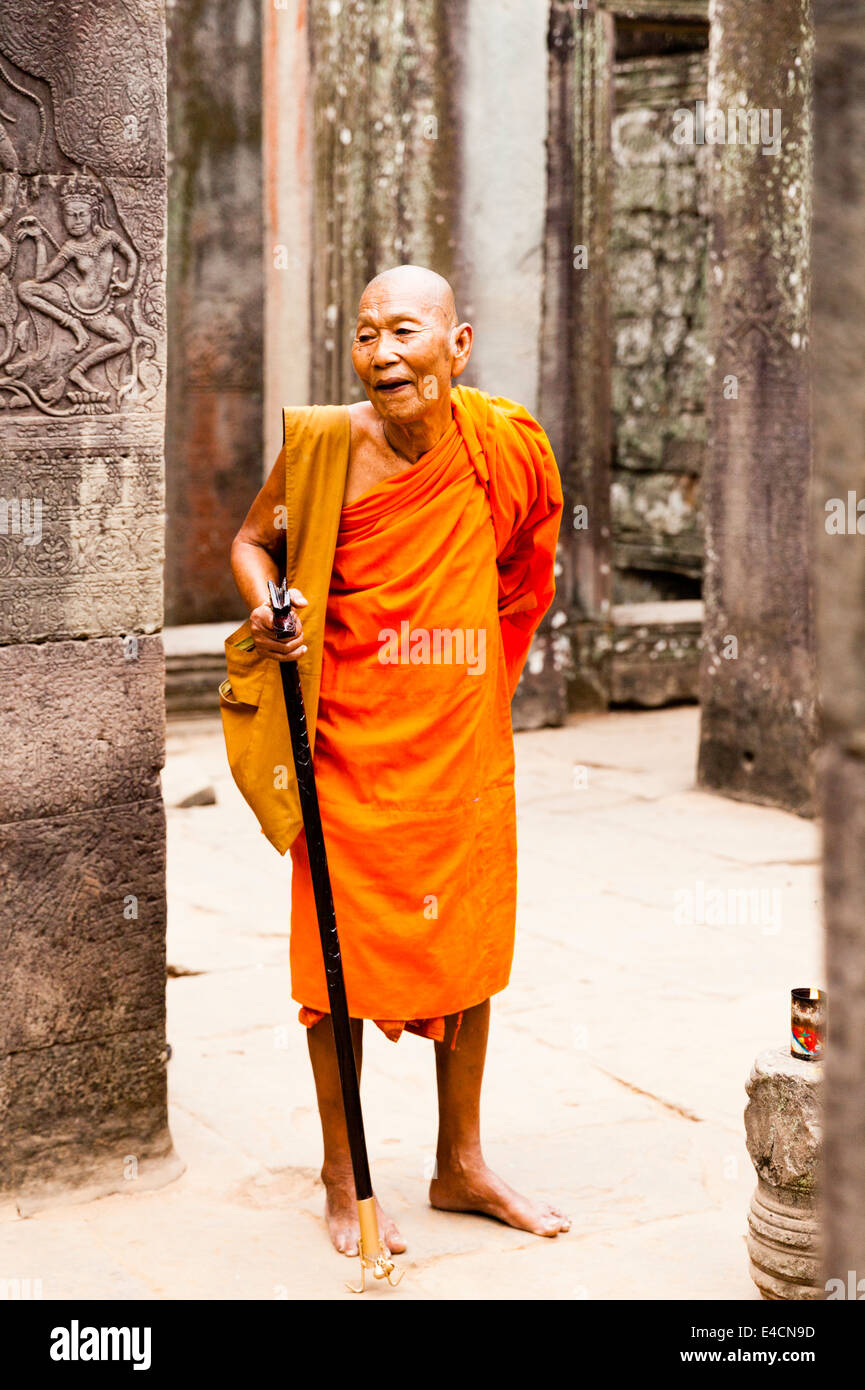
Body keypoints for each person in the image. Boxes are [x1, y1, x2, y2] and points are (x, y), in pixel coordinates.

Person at [229, 264, 568, 1257]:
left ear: (456, 347)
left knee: (465, 947)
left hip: (457, 739)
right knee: (332, 964)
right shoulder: (327, 447)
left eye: (405, 333)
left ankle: (459, 1163)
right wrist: (269, 604)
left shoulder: (499, 445)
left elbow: (516, 562)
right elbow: (255, 544)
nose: (382, 354)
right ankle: (344, 1172)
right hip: (345, 741)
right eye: (366, 335)